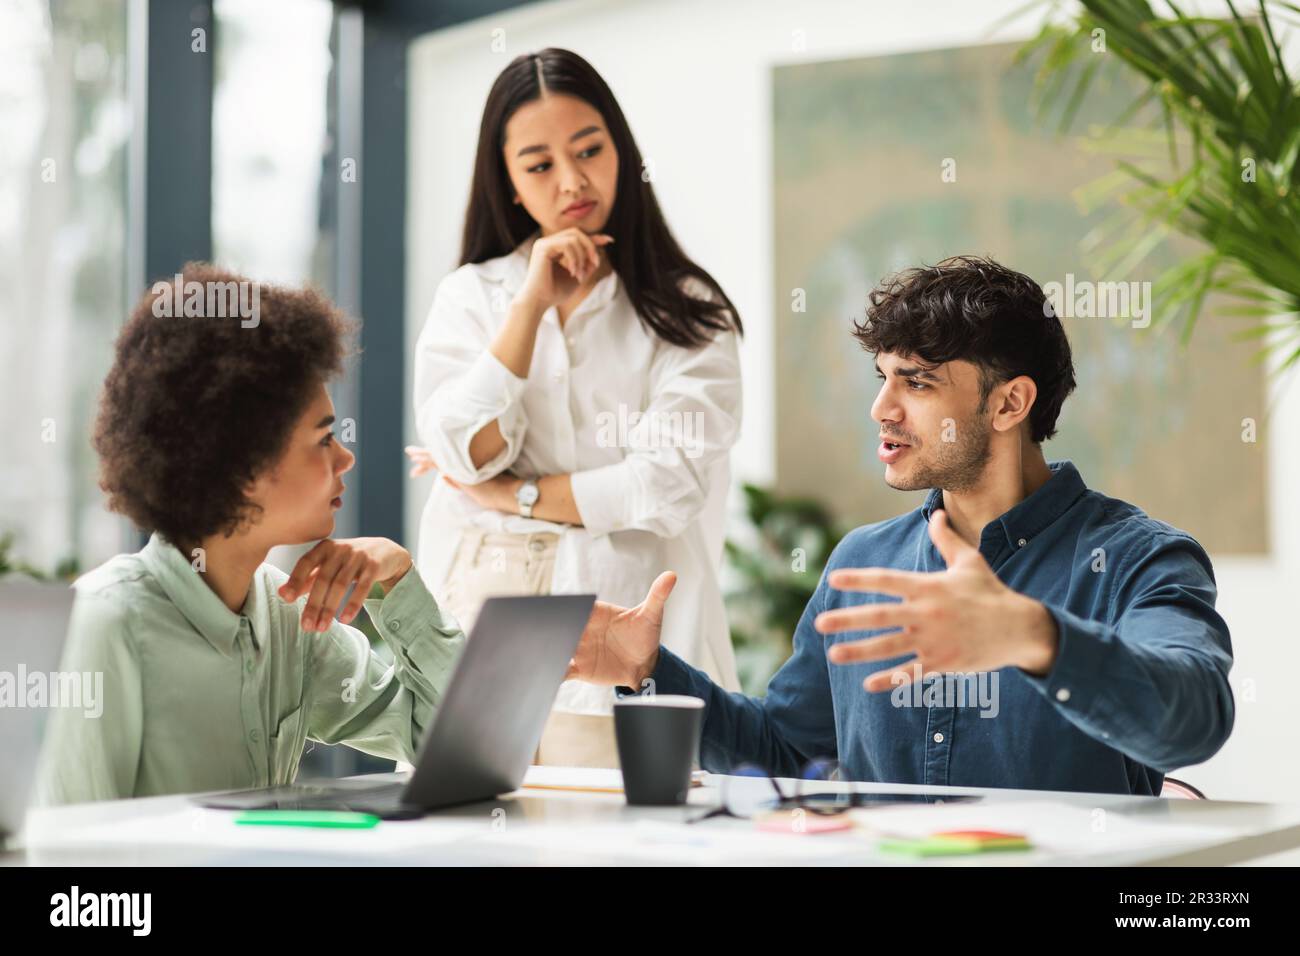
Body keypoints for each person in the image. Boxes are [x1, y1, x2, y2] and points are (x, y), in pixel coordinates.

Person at [567, 256, 1235, 795]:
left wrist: (1038, 638)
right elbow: (788, 750)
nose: (881, 408)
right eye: (883, 377)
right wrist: (649, 670)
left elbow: (1193, 718)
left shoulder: (1138, 559)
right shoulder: (862, 561)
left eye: (916, 383)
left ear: (1010, 403)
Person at [409, 48, 743, 767]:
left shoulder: (690, 312)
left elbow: (667, 486)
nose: (572, 181)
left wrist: (511, 494)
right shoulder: (473, 298)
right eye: (538, 164)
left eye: (589, 149)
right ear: (507, 182)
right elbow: (464, 444)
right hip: (485, 645)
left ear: (621, 148)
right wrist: (530, 306)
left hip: (642, 650)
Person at [37, 263, 466, 804]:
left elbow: (447, 747)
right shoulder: (106, 623)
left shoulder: (287, 616)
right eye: (322, 440)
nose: (346, 457)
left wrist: (398, 578)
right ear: (240, 464)